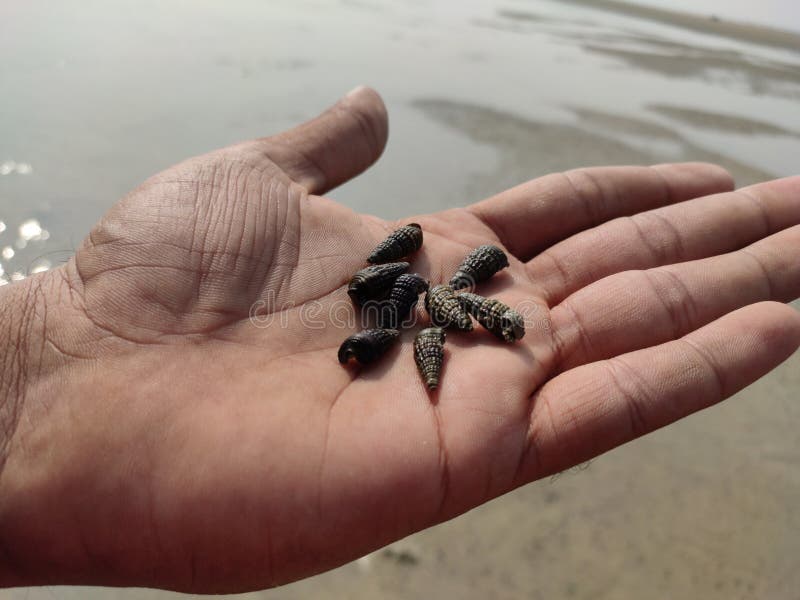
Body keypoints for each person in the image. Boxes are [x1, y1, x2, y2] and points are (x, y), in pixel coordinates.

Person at [0, 86, 797, 593]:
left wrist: (31, 377)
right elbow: (400, 298)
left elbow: (416, 299)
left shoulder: (421, 302)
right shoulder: (401, 301)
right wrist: (36, 364)